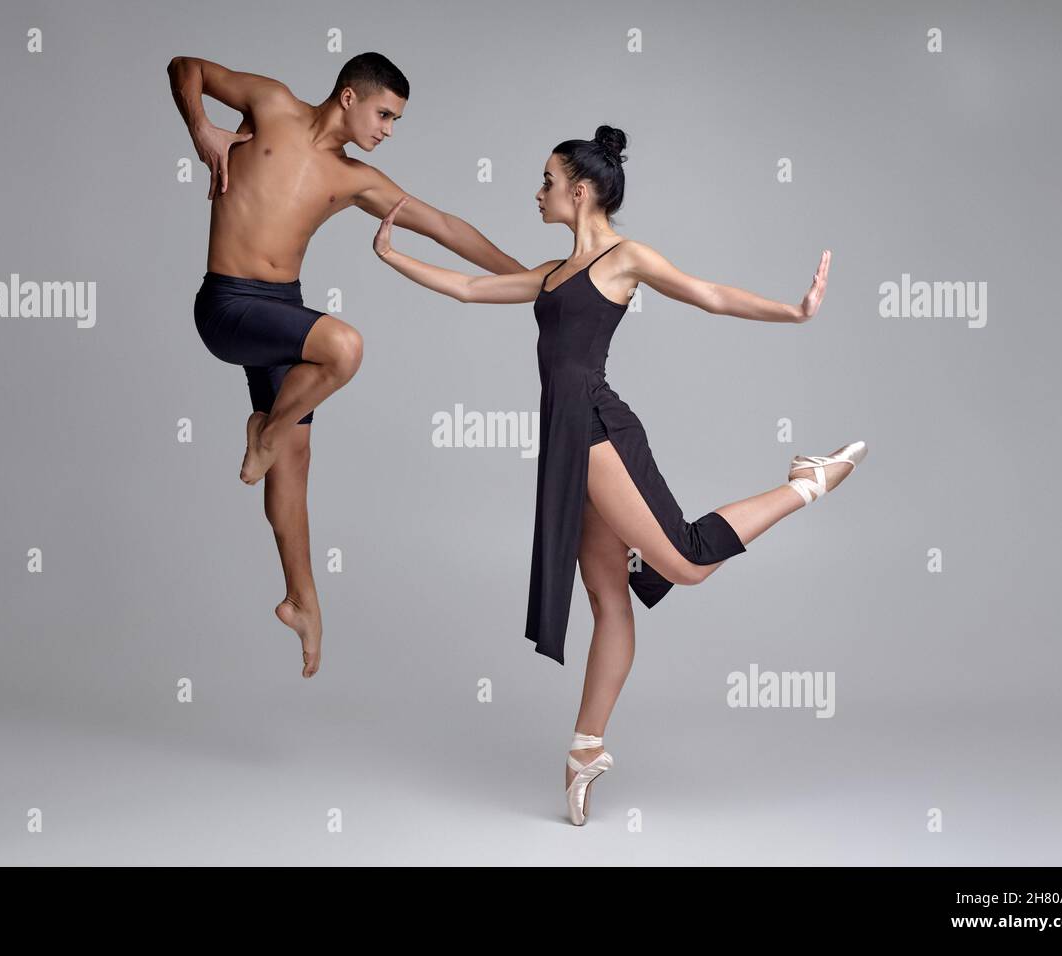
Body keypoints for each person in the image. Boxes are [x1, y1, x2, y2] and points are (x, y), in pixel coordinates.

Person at [371, 125, 868, 824]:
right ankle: (585, 751)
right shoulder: (552, 274)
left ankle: (808, 481)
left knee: (687, 562)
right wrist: (392, 255)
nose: (537, 192)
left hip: (599, 429)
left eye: (546, 181)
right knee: (609, 598)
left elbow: (710, 295)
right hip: (567, 437)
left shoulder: (622, 259)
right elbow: (470, 287)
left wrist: (795, 311)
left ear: (578, 191)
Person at [167, 52, 526, 678]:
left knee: (297, 459)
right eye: (385, 114)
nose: (388, 130)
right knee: (346, 346)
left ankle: (303, 601)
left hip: (282, 311)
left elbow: (442, 225)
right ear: (350, 97)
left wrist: (527, 278)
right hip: (227, 304)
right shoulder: (272, 104)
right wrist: (201, 127)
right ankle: (267, 431)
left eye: (396, 121)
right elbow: (185, 66)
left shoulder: (356, 179)